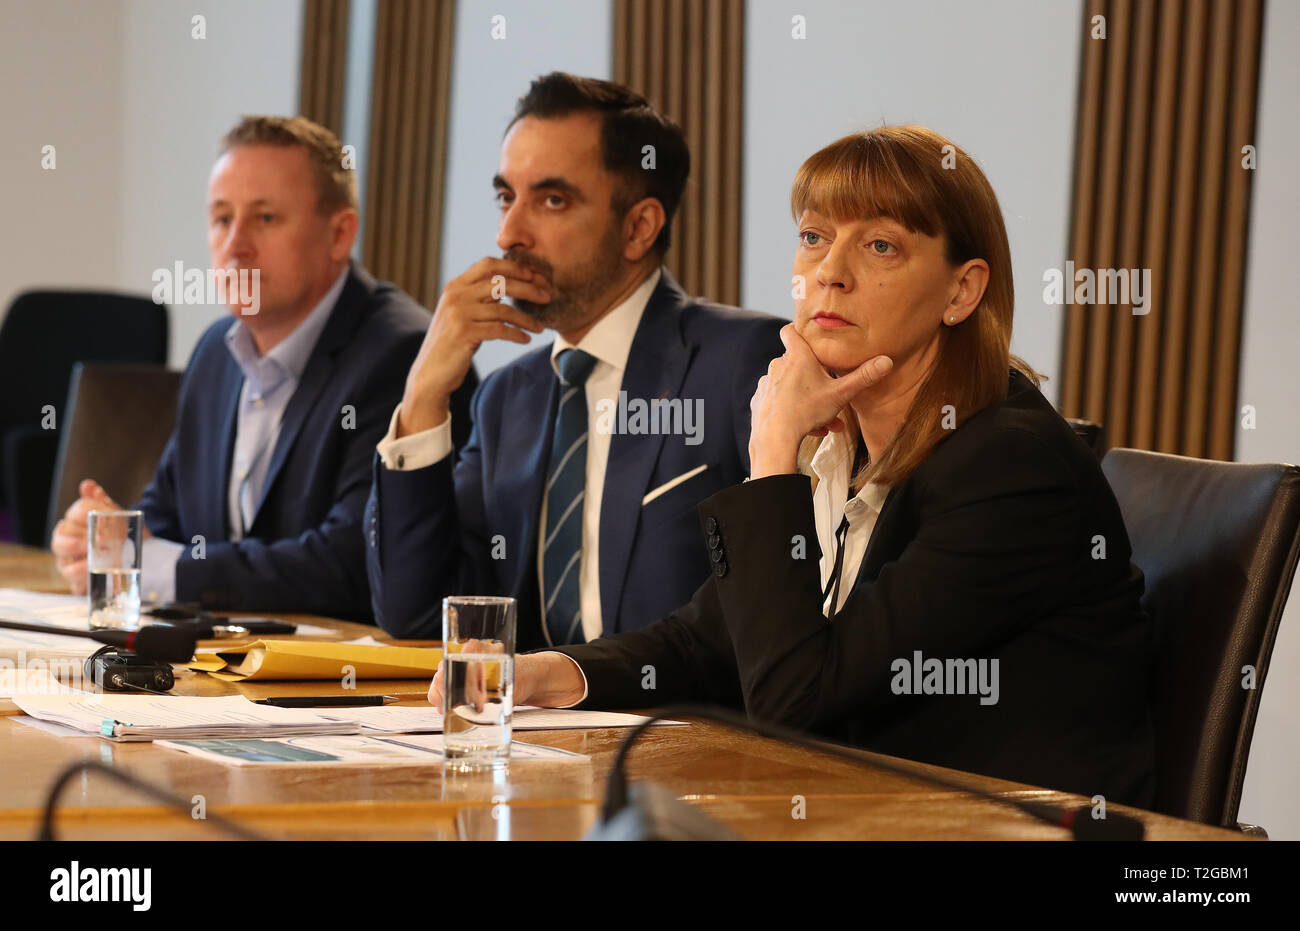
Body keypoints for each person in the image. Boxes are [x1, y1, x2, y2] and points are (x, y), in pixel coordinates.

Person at [433, 126, 1157, 807]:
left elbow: (796, 703)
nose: (829, 273)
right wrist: (552, 673)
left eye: (879, 246)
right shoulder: (850, 442)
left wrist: (773, 453)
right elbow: (708, 637)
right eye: (814, 238)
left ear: (961, 291)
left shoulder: (1008, 466)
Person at [366, 73, 784, 647]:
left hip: (679, 729)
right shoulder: (506, 397)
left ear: (639, 228)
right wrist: (421, 398)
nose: (508, 233)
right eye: (506, 197)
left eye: (552, 200)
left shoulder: (744, 360)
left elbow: (776, 613)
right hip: (538, 730)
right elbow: (414, 615)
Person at [50, 116, 475, 620]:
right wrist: (107, 537)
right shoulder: (216, 350)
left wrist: (158, 566)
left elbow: (351, 562)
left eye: (266, 218)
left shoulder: (401, 354)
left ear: (339, 235)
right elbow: (167, 521)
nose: (235, 245)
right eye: (222, 218)